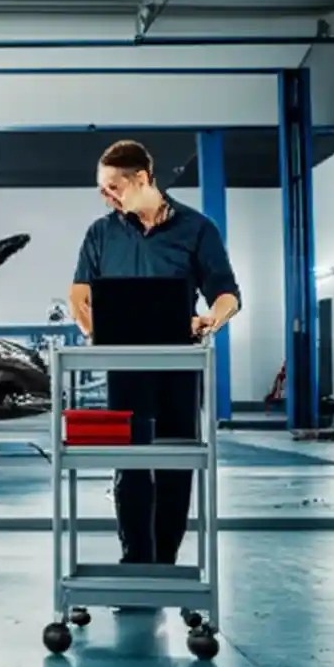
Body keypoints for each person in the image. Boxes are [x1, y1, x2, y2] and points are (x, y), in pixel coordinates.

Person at [69, 140, 241, 568]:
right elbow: (79, 297)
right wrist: (97, 334)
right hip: (124, 369)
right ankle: (135, 560)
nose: (106, 196)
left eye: (112, 187)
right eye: (102, 189)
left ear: (141, 179)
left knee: (175, 463)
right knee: (128, 466)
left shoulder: (196, 229)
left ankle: (164, 560)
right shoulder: (101, 233)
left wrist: (210, 322)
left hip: (179, 369)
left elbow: (227, 294)